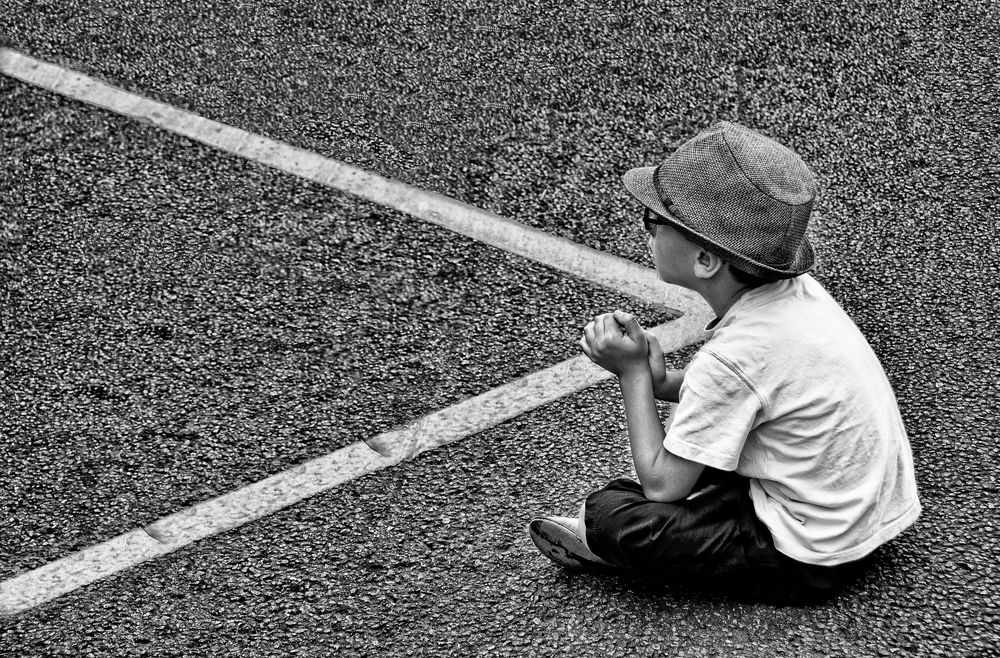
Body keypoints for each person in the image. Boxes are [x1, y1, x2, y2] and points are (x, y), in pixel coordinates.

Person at [527, 121, 921, 603]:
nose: (647, 231)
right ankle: (711, 513)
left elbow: (660, 485)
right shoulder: (795, 296)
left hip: (809, 558)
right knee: (708, 454)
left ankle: (620, 547)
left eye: (655, 223)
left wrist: (631, 375)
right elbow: (746, 389)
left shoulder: (733, 359)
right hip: (865, 514)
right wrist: (662, 382)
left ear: (705, 261)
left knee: (611, 512)